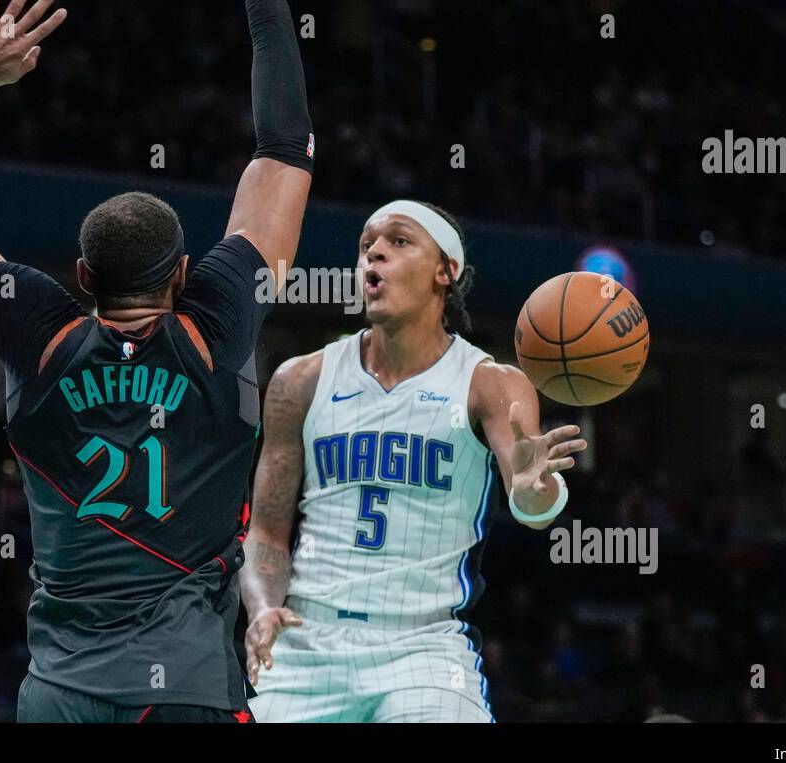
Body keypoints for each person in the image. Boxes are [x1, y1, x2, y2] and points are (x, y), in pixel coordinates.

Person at [0, 0, 312, 723]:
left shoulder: (38, 333)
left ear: (80, 281)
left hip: (61, 696)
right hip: (186, 691)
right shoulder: (216, 325)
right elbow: (284, 151)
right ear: (184, 278)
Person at [241, 201, 584, 722]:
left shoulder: (490, 384)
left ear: (446, 271)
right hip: (305, 639)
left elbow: (533, 506)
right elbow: (266, 533)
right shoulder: (299, 381)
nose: (374, 251)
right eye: (366, 245)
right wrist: (263, 606)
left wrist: (539, 489)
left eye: (399, 241)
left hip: (423, 647)